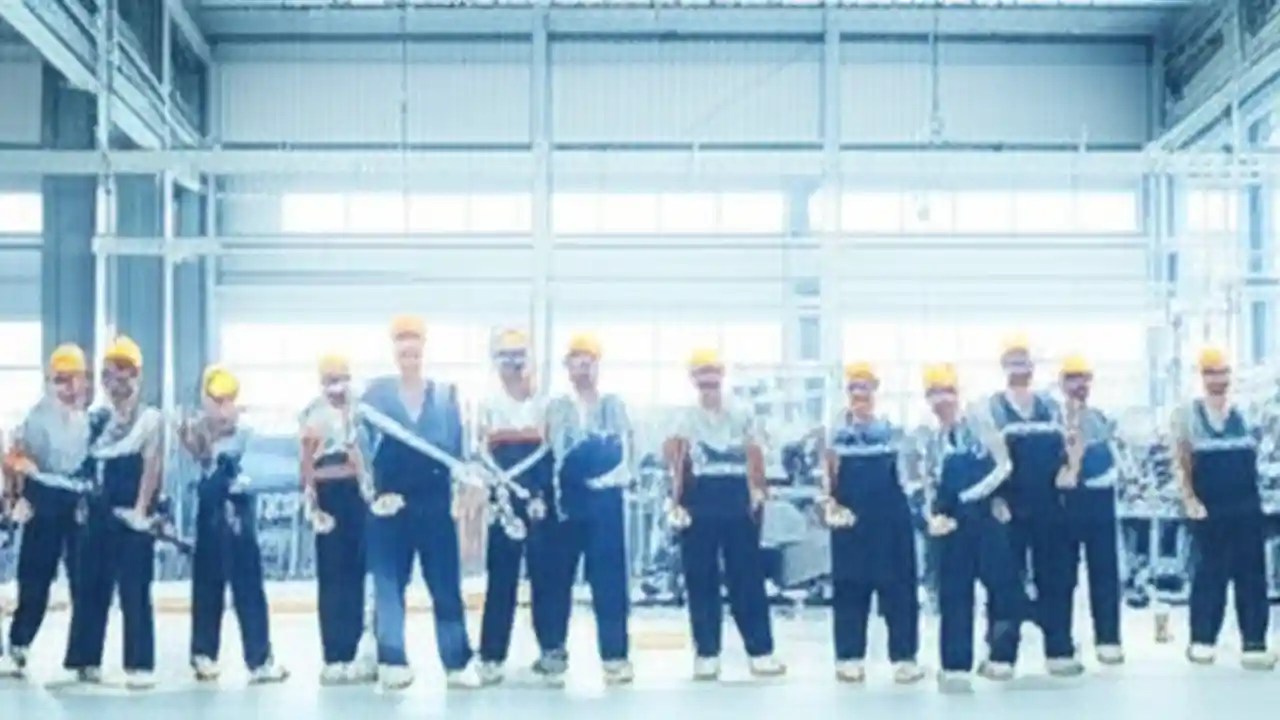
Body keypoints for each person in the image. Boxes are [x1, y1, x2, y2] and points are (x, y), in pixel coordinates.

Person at [358, 315, 480, 691]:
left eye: (414, 341)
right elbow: (358, 448)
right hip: (390, 504)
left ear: (424, 347)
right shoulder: (374, 396)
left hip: (434, 502)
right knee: (390, 585)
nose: (408, 349)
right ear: (393, 348)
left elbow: (460, 454)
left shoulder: (445, 396)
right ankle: (392, 659)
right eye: (401, 342)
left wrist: (464, 498)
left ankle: (457, 661)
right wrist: (373, 495)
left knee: (444, 584)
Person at [664, 348, 784, 681]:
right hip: (698, 498)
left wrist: (759, 493)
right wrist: (675, 500)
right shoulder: (683, 418)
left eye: (712, 373)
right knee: (699, 577)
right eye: (701, 374)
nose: (707, 381)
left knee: (747, 576)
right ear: (693, 379)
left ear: (721, 376)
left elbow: (755, 454)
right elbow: (674, 462)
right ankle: (706, 653)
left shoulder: (742, 413)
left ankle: (761, 651)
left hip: (736, 499)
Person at [178, 365, 289, 685]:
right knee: (206, 586)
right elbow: (188, 475)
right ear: (207, 403)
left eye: (230, 401)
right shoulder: (193, 436)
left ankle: (259, 660)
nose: (225, 409)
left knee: (249, 589)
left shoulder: (247, 438)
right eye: (218, 401)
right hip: (208, 519)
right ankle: (203, 655)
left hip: (239, 519)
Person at [978, 334, 1081, 677]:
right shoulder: (991, 409)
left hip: (1050, 508)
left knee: (1057, 577)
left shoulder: (1051, 407)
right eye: (1013, 361)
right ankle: (1002, 656)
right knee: (1005, 581)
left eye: (1024, 361)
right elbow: (987, 461)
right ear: (1004, 367)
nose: (1019, 367)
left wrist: (1070, 470)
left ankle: (1060, 650)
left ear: (1033, 367)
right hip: (1009, 509)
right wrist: (995, 500)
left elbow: (1070, 447)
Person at [63, 336, 162, 688]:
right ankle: (85, 659)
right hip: (96, 512)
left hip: (133, 515)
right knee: (90, 586)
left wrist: (140, 510)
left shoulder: (149, 419)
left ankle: (139, 664)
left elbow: (152, 466)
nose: (118, 383)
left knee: (134, 589)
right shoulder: (95, 421)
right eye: (110, 375)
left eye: (126, 374)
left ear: (138, 376)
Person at [917, 363, 1023, 692]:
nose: (941, 400)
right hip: (950, 523)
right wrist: (930, 518)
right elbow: (924, 483)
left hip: (985, 517)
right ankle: (955, 664)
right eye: (934, 394)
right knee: (953, 592)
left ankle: (1002, 658)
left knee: (1003, 587)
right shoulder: (932, 439)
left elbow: (1004, 465)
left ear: (956, 394)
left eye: (946, 392)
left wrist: (975, 496)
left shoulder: (979, 424)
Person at [821, 361, 923, 685]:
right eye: (854, 388)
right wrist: (830, 506)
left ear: (875, 391)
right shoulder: (834, 436)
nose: (859, 394)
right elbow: (826, 479)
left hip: (891, 519)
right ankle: (849, 657)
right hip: (850, 521)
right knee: (850, 587)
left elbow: (911, 476)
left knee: (899, 588)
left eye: (865, 387)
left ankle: (904, 658)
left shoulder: (892, 432)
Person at [1175, 347, 1275, 669]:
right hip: (1209, 508)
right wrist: (1189, 499)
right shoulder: (1189, 415)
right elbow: (1182, 459)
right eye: (1212, 372)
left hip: (1246, 506)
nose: (1218, 378)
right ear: (1203, 376)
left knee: (1252, 574)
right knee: (1209, 574)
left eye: (1222, 372)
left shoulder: (1246, 414)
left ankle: (1255, 643)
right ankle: (1203, 640)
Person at [545, 333, 635, 686]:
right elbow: (551, 451)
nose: (582, 367)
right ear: (567, 367)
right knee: (557, 578)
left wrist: (609, 476)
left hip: (605, 503)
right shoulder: (557, 407)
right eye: (576, 361)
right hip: (566, 501)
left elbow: (624, 449)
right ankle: (553, 650)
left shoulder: (613, 406)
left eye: (589, 361)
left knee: (609, 579)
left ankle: (615, 655)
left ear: (598, 366)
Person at [0, 344, 92, 677]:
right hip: (44, 498)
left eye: (74, 380)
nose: (68, 388)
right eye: (60, 381)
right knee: (36, 578)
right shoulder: (37, 418)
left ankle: (83, 656)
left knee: (84, 581)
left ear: (84, 380)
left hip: (78, 499)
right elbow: (15, 458)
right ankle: (19, 644)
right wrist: (18, 498)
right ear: (50, 382)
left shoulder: (90, 419)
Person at [475, 329, 560, 686]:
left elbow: (556, 453)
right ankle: (492, 656)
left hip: (541, 499)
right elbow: (478, 453)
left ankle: (552, 651)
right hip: (504, 502)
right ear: (495, 362)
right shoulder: (488, 407)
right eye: (505, 355)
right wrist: (499, 486)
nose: (513, 362)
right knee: (502, 578)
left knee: (547, 577)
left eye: (519, 355)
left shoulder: (548, 406)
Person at [300, 353, 375, 685]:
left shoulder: (359, 413)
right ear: (321, 381)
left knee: (356, 574)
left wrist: (369, 491)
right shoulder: (312, 414)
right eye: (331, 379)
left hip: (356, 496)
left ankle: (355, 650)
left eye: (342, 378)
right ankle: (334, 655)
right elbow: (305, 464)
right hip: (328, 495)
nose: (337, 385)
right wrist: (311, 503)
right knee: (331, 577)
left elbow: (365, 456)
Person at [1056, 354, 1125, 665]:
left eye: (1084, 378)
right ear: (1062, 383)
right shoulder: (1054, 419)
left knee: (1105, 570)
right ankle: (1061, 642)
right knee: (1061, 574)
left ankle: (1108, 639)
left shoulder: (1100, 418)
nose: (1079, 384)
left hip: (1100, 501)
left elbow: (1113, 456)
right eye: (1072, 378)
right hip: (1066, 503)